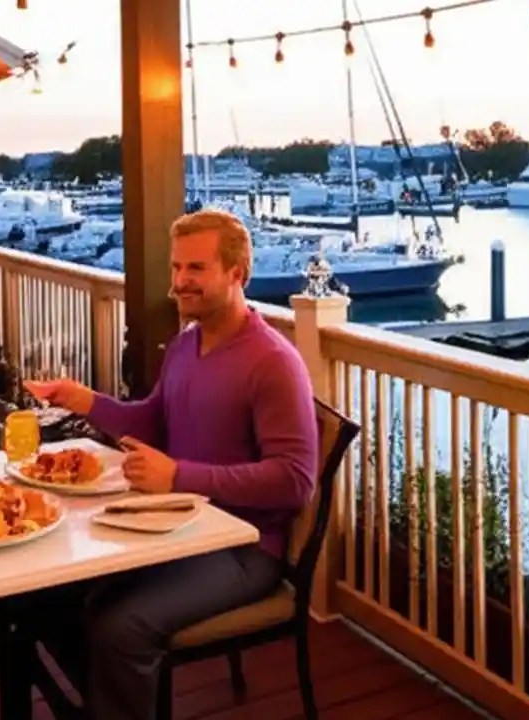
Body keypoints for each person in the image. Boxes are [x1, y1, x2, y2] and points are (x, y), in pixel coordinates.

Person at [26, 208, 318, 720]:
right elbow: (153, 422)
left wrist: (178, 476)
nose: (180, 282)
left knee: (120, 626)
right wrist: (83, 400)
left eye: (196, 269)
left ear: (237, 274)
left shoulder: (273, 362)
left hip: (245, 548)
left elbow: (294, 481)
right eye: (177, 268)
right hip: (179, 524)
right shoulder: (185, 345)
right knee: (62, 590)